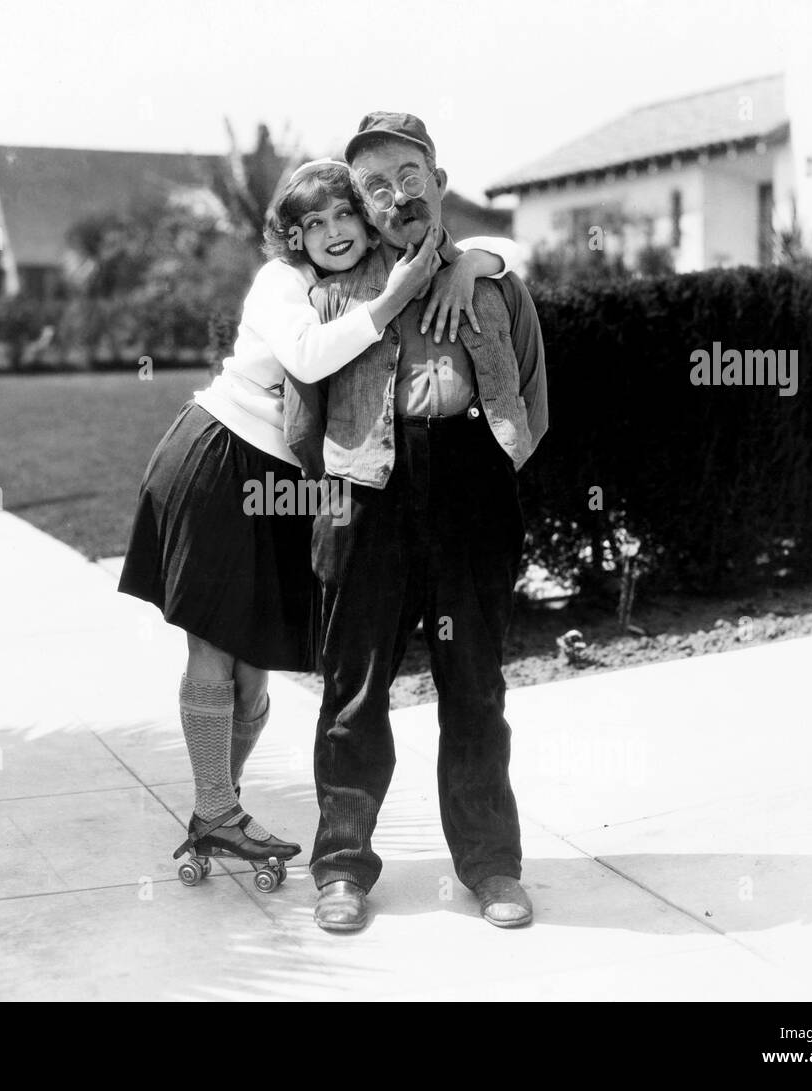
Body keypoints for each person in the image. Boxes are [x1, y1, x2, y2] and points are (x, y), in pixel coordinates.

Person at [117, 157, 521, 889]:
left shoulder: (362, 271)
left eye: (344, 216)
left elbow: (496, 253)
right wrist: (395, 297)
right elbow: (308, 352)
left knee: (255, 660)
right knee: (214, 647)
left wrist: (471, 263)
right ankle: (215, 806)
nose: (333, 232)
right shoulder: (284, 283)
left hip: (285, 480)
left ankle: (217, 808)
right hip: (221, 457)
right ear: (293, 235)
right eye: (313, 223)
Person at [284, 114, 549, 930]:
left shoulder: (495, 281)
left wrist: (498, 459)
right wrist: (342, 485)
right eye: (373, 185)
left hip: (469, 484)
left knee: (475, 686)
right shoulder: (335, 293)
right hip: (367, 491)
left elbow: (532, 391)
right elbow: (303, 417)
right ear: (360, 208)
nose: (395, 193)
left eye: (407, 173)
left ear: (437, 179)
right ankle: (341, 868)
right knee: (354, 690)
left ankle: (493, 865)